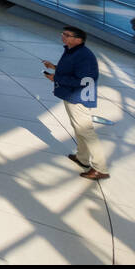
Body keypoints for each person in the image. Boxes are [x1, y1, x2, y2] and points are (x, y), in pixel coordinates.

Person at [43, 26, 108, 180]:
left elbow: (83, 79)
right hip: (72, 95)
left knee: (86, 131)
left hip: (79, 98)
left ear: (78, 40)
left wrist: (56, 78)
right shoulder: (72, 51)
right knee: (79, 128)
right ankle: (82, 158)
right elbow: (72, 70)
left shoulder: (83, 56)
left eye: (67, 35)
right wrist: (55, 68)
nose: (63, 36)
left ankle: (101, 168)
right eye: (63, 33)